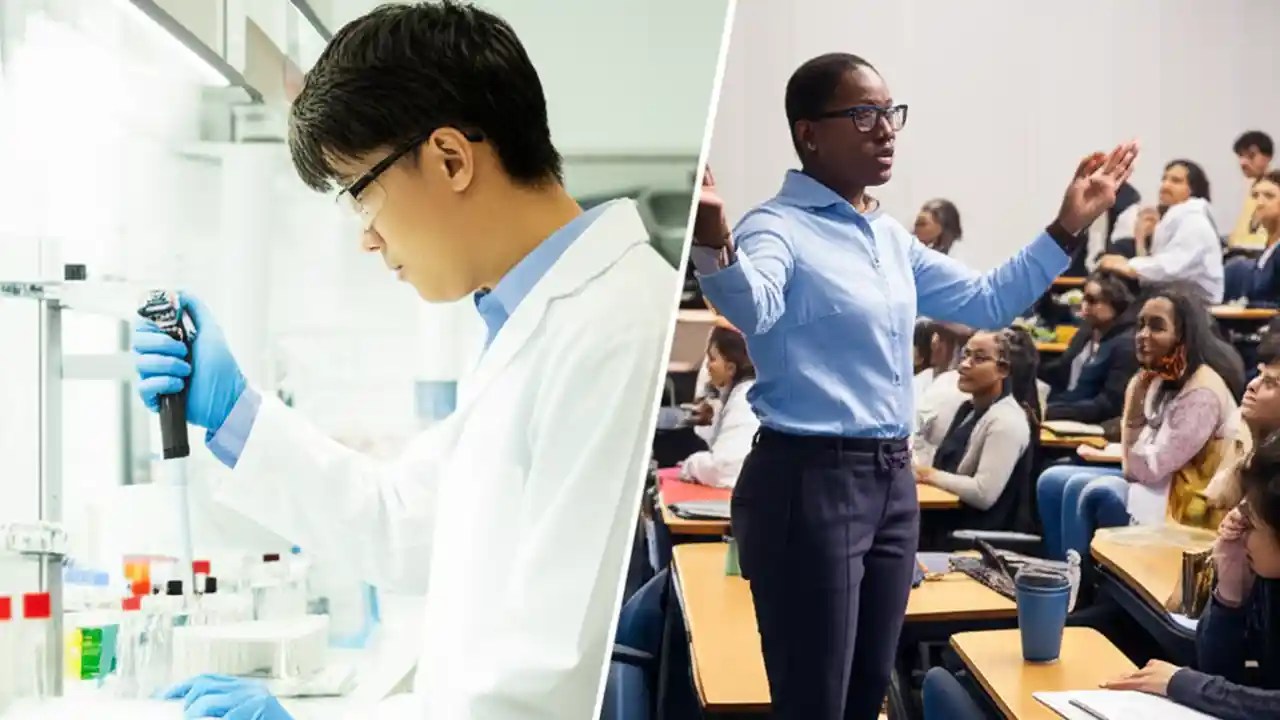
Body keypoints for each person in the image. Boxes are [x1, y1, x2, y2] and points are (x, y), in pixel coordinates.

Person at [135, 5, 675, 719]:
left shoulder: (616, 328)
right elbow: (405, 521)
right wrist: (236, 413)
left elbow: (539, 687)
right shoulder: (529, 323)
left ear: (451, 158)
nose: (367, 238)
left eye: (360, 195)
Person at [691, 49, 1137, 719]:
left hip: (892, 481)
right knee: (814, 700)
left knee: (870, 688)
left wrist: (1067, 224)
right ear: (809, 132)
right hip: (810, 482)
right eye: (863, 114)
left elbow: (987, 301)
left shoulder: (886, 235)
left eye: (890, 114)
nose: (885, 129)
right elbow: (753, 306)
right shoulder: (775, 226)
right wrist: (711, 247)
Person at [1036, 285, 1243, 562]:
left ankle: (1086, 589)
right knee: (1052, 480)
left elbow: (1145, 470)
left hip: (1184, 500)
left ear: (1183, 336)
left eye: (1157, 327)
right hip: (1159, 480)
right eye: (1141, 325)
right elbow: (1142, 453)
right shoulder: (1158, 377)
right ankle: (1062, 576)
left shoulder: (1202, 393)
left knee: (1092, 489)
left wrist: (1133, 406)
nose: (1143, 336)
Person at [1101, 433, 1280, 720]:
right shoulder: (1266, 573)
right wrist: (1230, 590)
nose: (1242, 533)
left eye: (1254, 524)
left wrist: (1185, 684)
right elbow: (1218, 670)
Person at [915, 328, 1039, 531]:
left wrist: (927, 475)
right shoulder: (967, 409)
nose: (964, 365)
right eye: (965, 355)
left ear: (1003, 370)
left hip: (973, 536)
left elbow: (983, 494)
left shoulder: (1006, 421)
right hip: (943, 519)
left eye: (979, 359)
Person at [1097, 160, 1225, 305]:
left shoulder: (1195, 221)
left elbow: (1172, 268)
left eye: (1176, 181)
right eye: (1164, 179)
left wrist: (1129, 266)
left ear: (1193, 190)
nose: (1165, 186)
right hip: (1173, 301)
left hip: (1195, 308)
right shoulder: (1174, 220)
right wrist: (1140, 240)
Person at [1038, 271, 1138, 424]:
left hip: (1089, 421)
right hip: (1063, 407)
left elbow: (1108, 405)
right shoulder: (1087, 330)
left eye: (1091, 300)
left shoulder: (1126, 345)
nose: (1084, 306)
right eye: (1083, 298)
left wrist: (1051, 412)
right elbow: (1060, 370)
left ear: (1115, 304)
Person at [1204, 330, 1280, 509]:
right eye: (1259, 375)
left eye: (1269, 383)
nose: (1252, 385)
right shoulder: (1244, 428)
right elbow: (1216, 498)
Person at [681, 326, 760, 488]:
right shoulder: (739, 394)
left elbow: (723, 469)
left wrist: (691, 465)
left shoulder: (745, 398)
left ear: (730, 368)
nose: (708, 366)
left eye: (712, 359)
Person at [1225, 170, 1280, 306]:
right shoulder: (1268, 250)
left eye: (1269, 196)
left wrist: (1246, 306)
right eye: (1255, 196)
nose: (1259, 203)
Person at [1227, 130, 1274, 250]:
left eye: (1251, 156)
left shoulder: (1274, 190)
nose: (1243, 162)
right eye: (1240, 156)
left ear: (1268, 157)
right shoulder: (1251, 189)